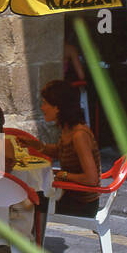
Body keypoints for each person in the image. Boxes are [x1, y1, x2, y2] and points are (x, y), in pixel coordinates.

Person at [35, 78, 101, 216]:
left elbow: (91, 179)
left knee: (30, 201)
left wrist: (63, 175)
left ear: (58, 107)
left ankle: (34, 238)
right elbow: (62, 151)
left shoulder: (79, 135)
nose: (42, 107)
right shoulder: (68, 129)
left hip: (82, 204)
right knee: (33, 195)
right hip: (70, 196)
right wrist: (37, 146)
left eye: (45, 103)